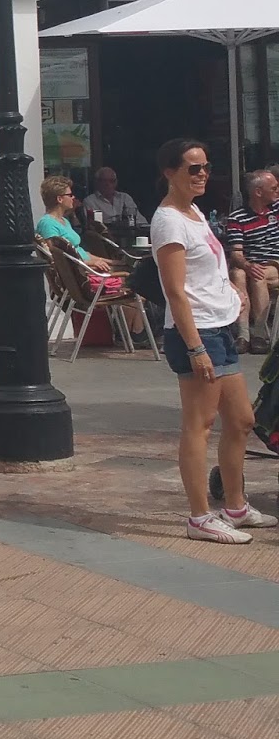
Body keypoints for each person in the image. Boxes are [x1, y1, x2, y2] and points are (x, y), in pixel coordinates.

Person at [150, 138, 276, 544]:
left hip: (219, 327)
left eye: (205, 166)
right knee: (198, 424)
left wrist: (232, 293)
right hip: (197, 332)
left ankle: (235, 505)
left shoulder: (195, 212)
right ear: (170, 172)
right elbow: (175, 290)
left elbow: (208, 270)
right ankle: (199, 515)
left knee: (241, 420)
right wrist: (195, 347)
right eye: (193, 168)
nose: (202, 174)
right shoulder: (169, 220)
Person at [36, 176, 146, 338]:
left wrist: (110, 261)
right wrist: (92, 265)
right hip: (79, 278)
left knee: (136, 278)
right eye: (70, 195)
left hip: (84, 270)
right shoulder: (48, 224)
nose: (73, 198)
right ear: (60, 199)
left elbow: (79, 251)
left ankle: (133, 333)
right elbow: (62, 258)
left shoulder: (64, 222)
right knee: (137, 285)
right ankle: (134, 334)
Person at [225, 170, 279, 354]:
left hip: (274, 263)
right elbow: (236, 253)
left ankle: (259, 333)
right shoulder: (237, 218)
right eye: (273, 188)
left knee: (258, 274)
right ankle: (244, 336)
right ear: (258, 192)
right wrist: (247, 265)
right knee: (237, 273)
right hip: (252, 264)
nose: (277, 190)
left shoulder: (277, 209)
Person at [82, 166, 141, 232]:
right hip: (104, 236)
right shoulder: (90, 201)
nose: (108, 184)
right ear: (97, 182)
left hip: (127, 234)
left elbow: (139, 220)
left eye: (112, 181)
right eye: (104, 181)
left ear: (116, 183)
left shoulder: (125, 197)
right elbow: (90, 226)